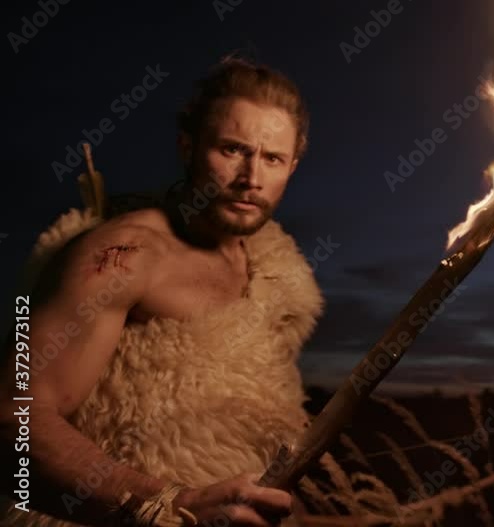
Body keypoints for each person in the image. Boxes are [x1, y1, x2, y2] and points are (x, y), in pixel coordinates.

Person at [0, 56, 325, 526]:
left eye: (272, 158)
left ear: (292, 165)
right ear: (187, 145)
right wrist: (164, 505)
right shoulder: (127, 254)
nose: (250, 177)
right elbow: (13, 417)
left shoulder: (275, 274)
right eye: (232, 149)